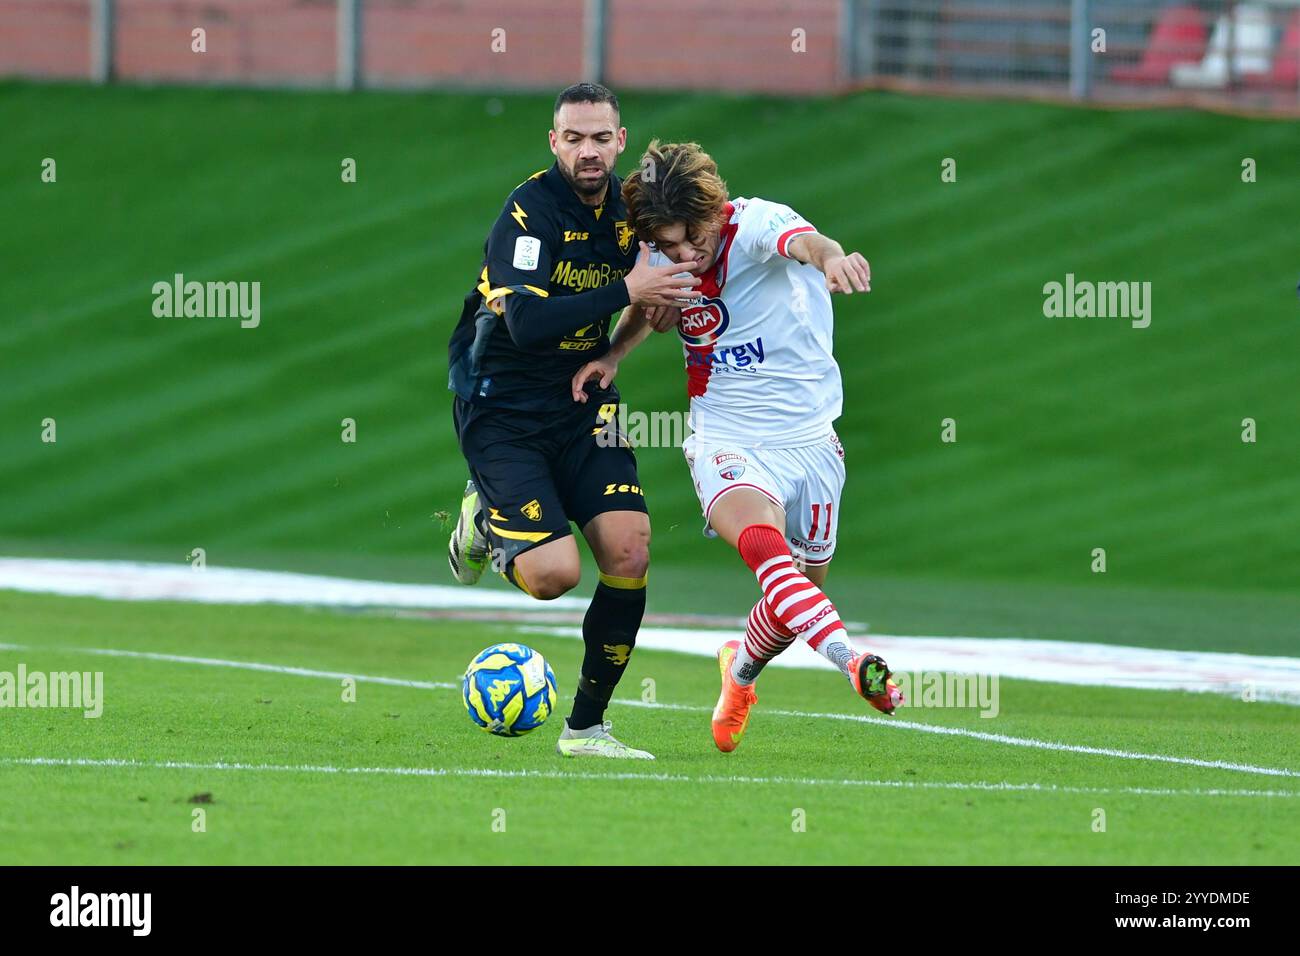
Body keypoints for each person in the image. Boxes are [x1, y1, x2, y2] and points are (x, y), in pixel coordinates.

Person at [571, 140, 904, 753]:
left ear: (714, 209)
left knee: (801, 590)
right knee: (764, 550)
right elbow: (650, 301)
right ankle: (852, 661)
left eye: (690, 238)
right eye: (667, 245)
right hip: (727, 438)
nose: (682, 254)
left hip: (811, 439)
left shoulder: (755, 225)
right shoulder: (663, 253)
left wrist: (832, 261)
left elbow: (811, 244)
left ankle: (741, 671)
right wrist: (615, 354)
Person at [446, 89, 701, 759]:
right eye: (573, 138)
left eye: (600, 137)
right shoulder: (528, 215)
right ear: (553, 143)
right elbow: (525, 325)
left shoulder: (632, 210)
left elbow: (662, 278)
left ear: (620, 141)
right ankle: (482, 523)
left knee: (630, 550)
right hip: (501, 405)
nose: (588, 150)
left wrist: (615, 352)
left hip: (583, 401)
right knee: (553, 575)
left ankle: (586, 728)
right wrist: (629, 292)